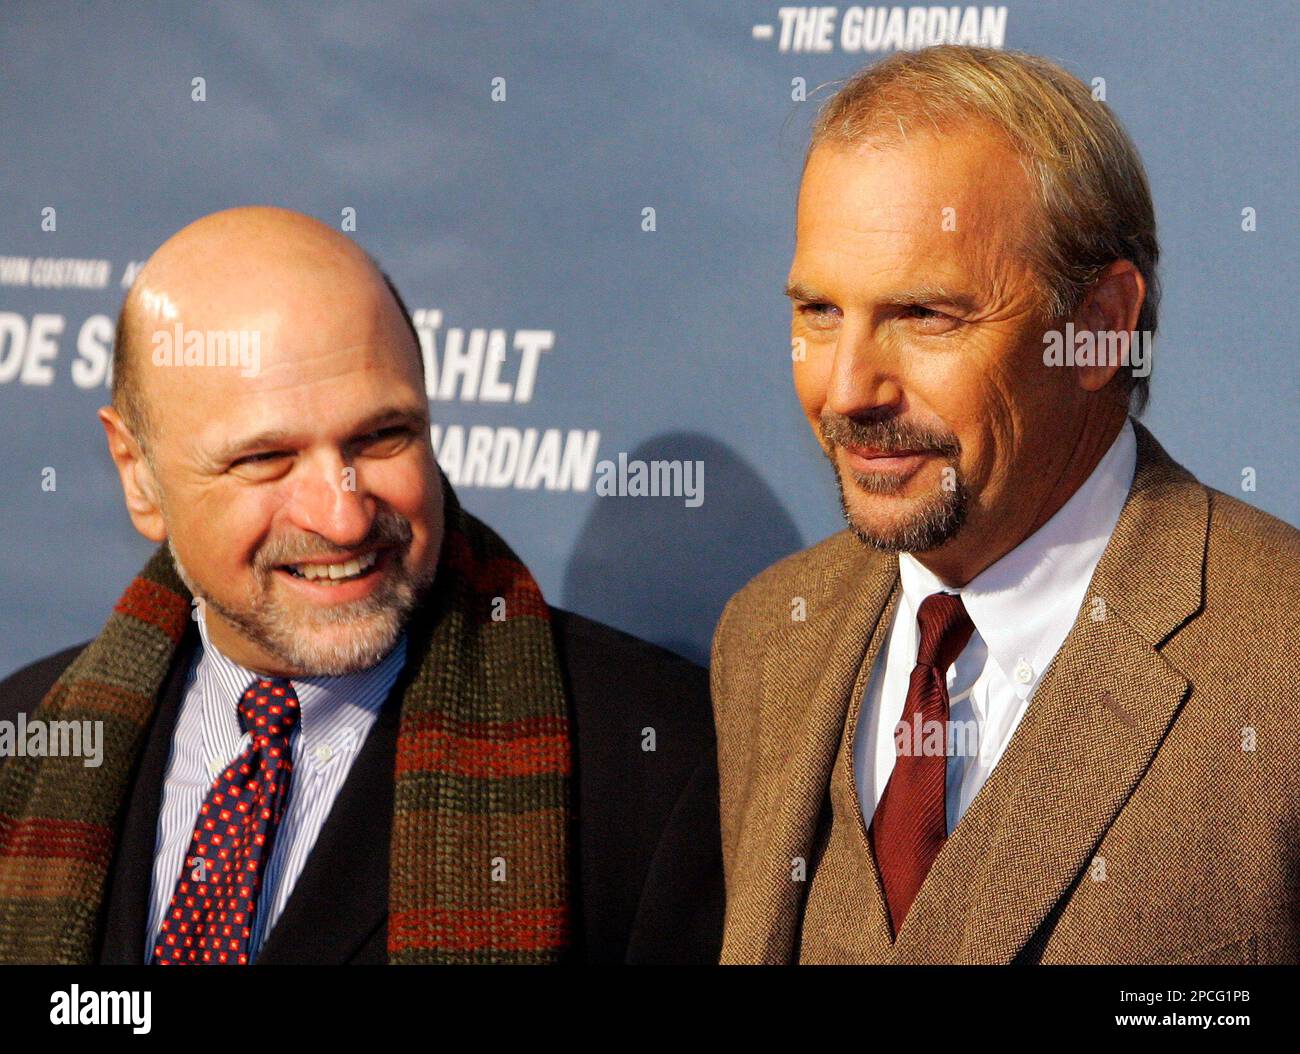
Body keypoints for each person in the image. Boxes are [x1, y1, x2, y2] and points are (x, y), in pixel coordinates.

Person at [0, 206, 722, 965]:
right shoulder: (27, 745)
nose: (342, 518)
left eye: (381, 438)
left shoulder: (651, 769)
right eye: (266, 459)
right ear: (138, 475)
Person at [711, 46, 1300, 964]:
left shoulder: (1281, 656)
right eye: (819, 310)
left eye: (924, 315)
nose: (846, 388)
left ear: (1100, 327)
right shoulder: (765, 641)